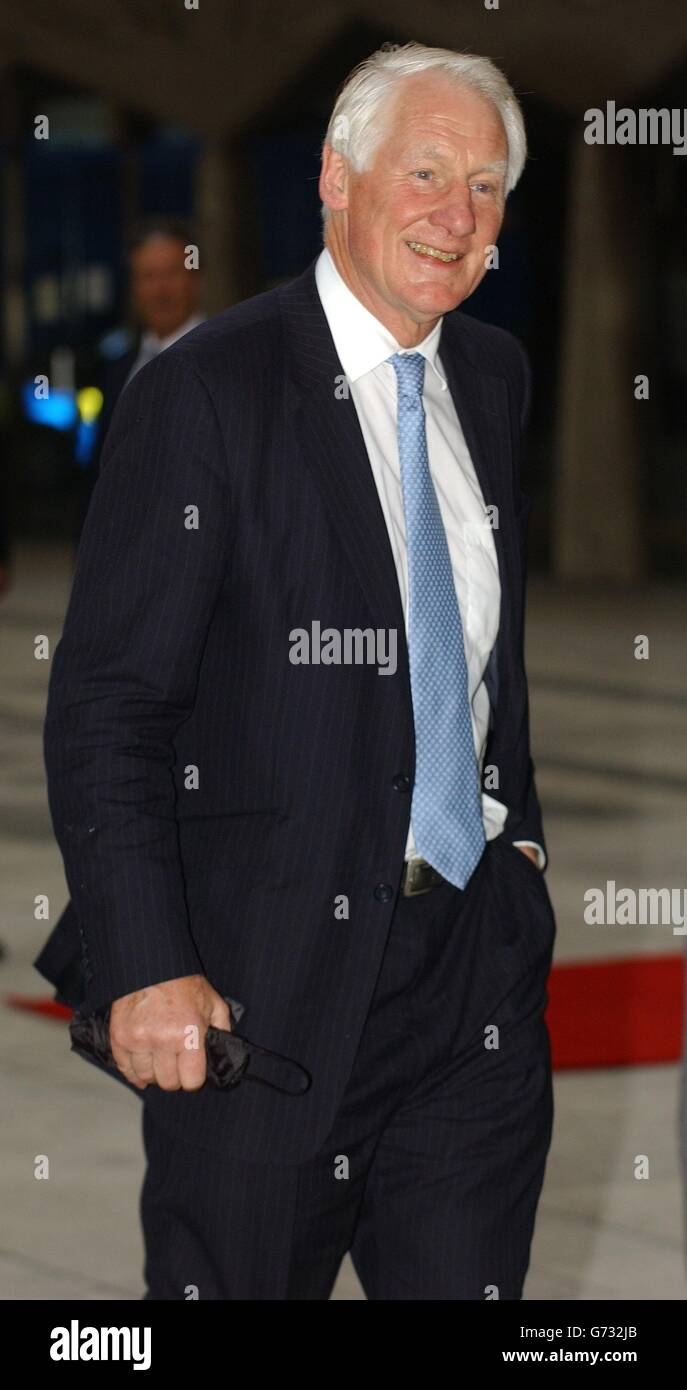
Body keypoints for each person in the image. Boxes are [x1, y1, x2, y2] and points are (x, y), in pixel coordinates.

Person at [35, 41, 557, 1301]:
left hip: (470, 979)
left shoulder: (490, 379)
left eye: (487, 186)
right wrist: (147, 958)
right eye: (426, 171)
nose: (458, 213)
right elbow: (110, 703)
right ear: (336, 176)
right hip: (263, 993)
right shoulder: (209, 392)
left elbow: (487, 655)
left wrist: (520, 850)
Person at [75, 220, 204, 535]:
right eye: (148, 276)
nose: (160, 289)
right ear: (134, 288)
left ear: (195, 279)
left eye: (172, 273)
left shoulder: (227, 363)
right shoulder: (118, 369)